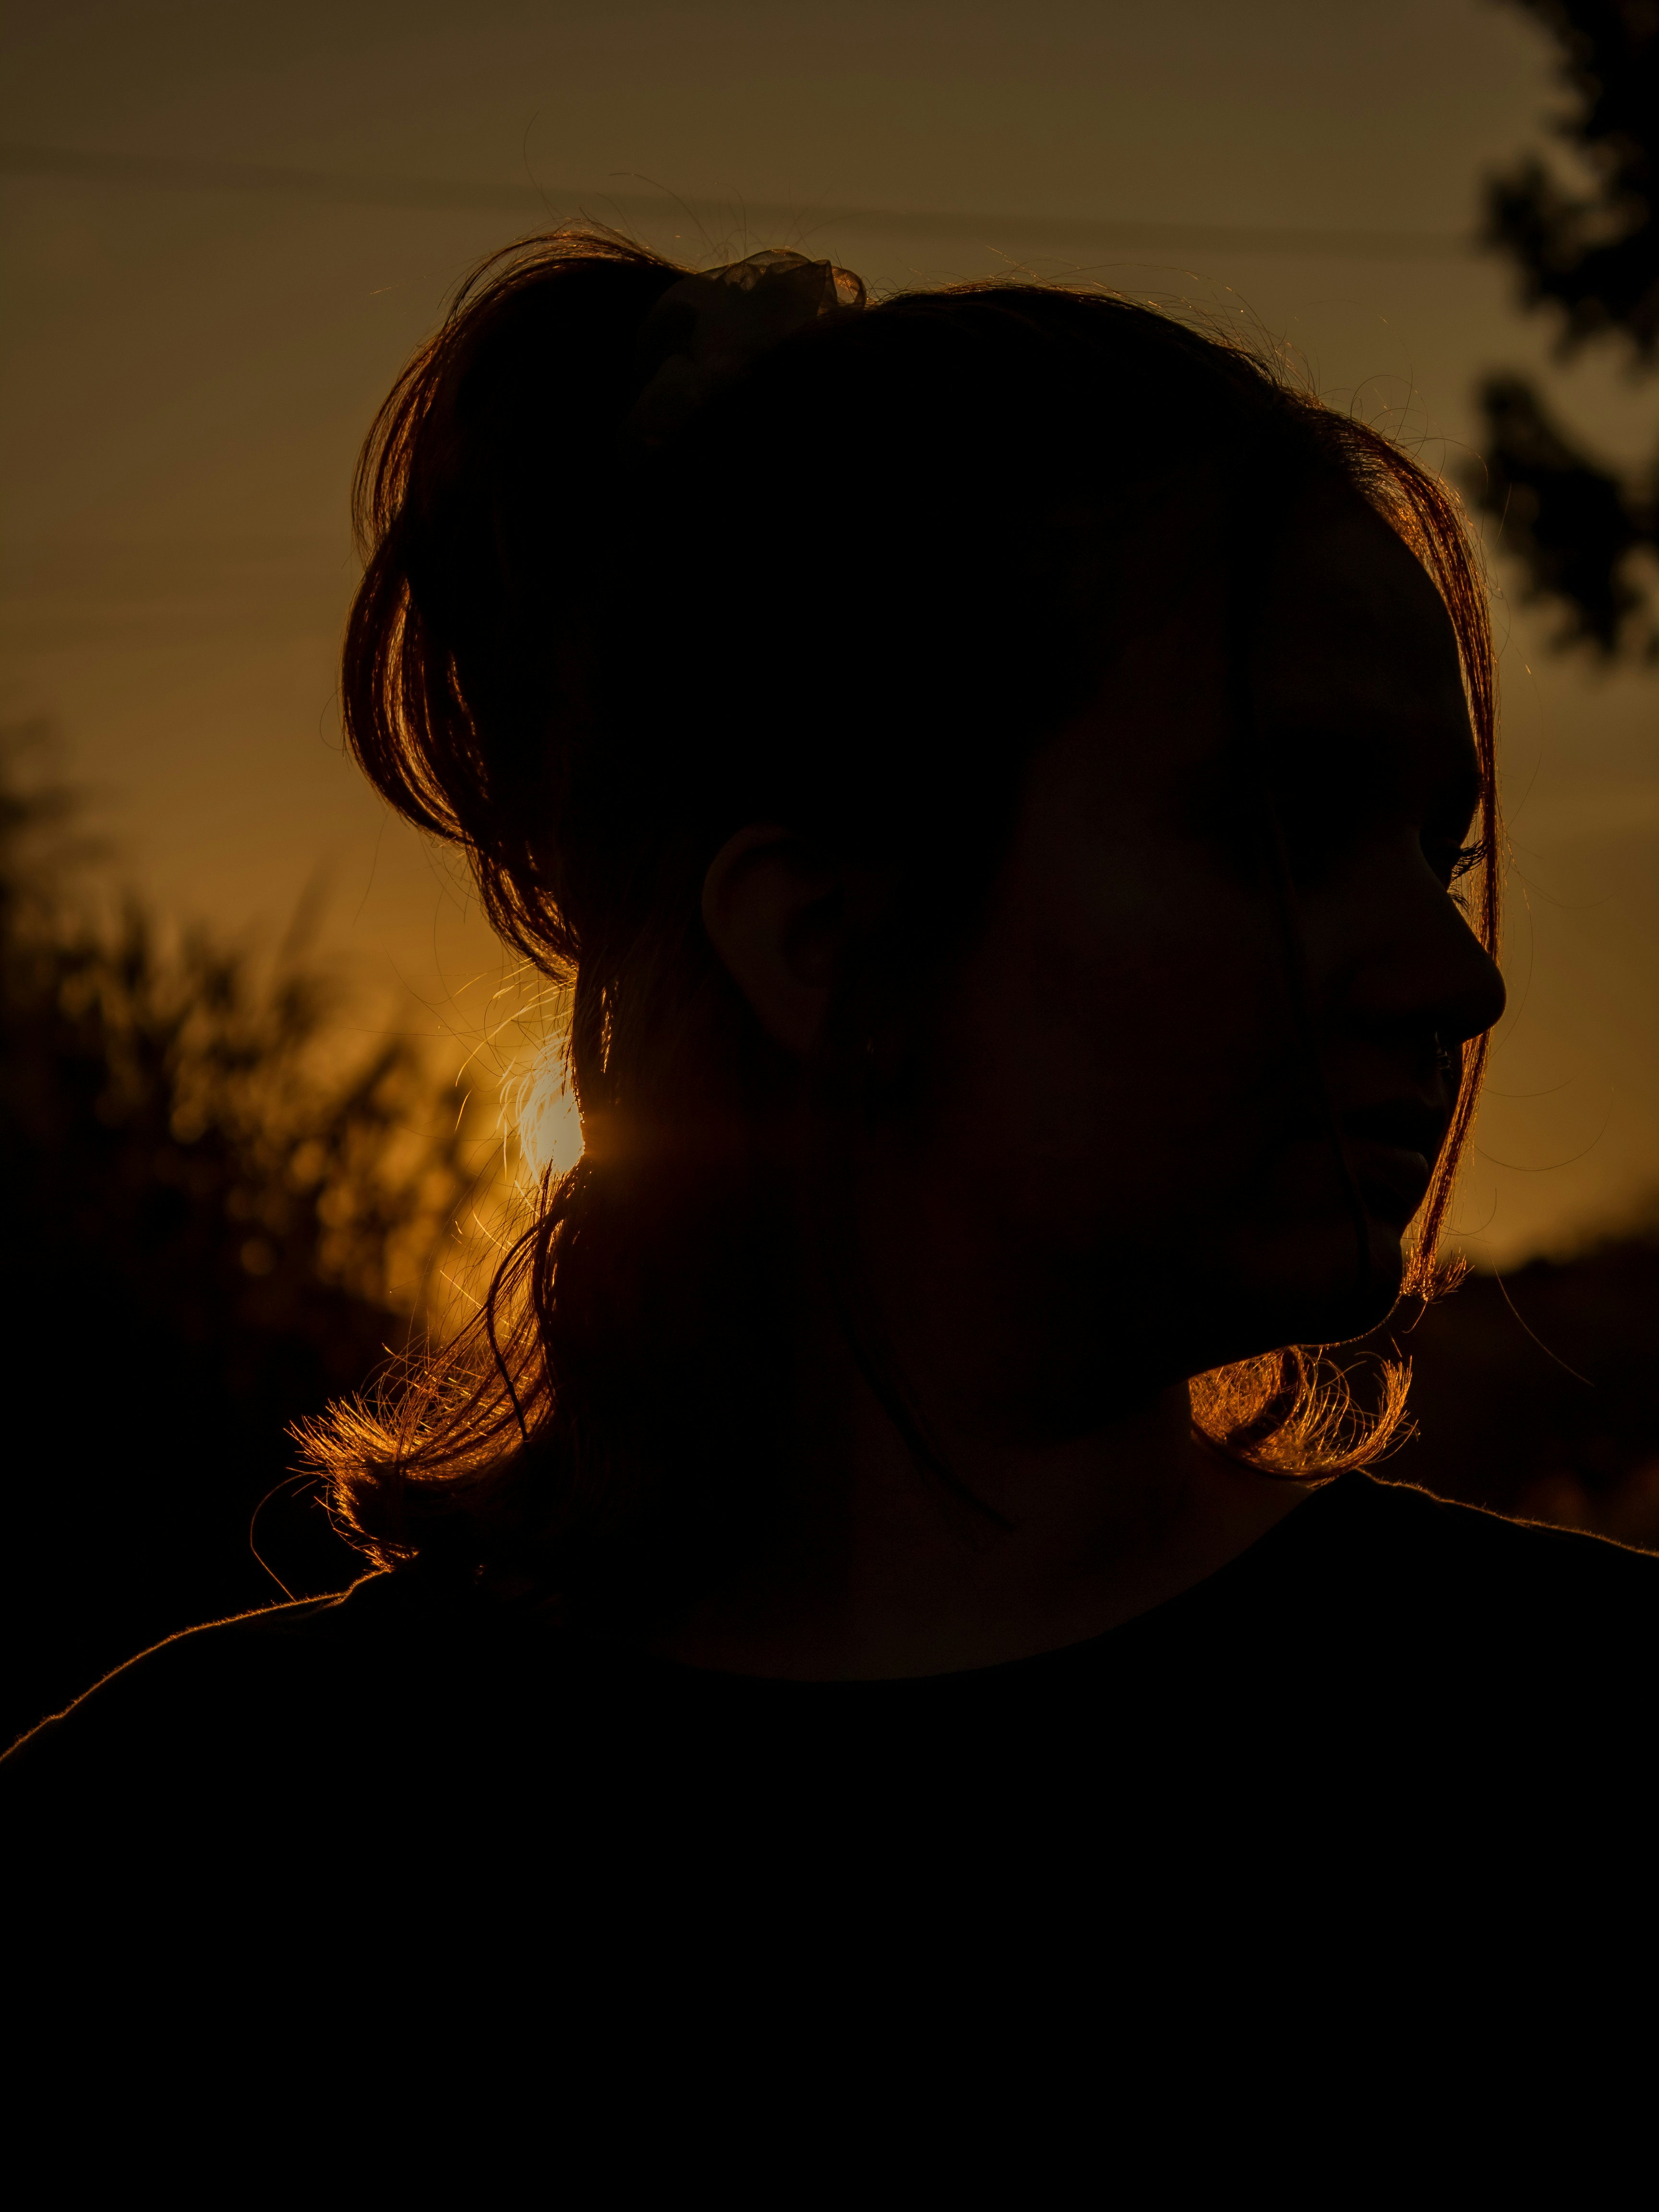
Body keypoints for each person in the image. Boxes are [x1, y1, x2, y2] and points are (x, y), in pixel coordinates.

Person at [7, 236, 1655, 1978]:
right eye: (1276, 826)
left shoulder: (1590, 1748)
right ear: (826, 943)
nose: (1455, 980)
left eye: (1439, 853)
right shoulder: (189, 1847)